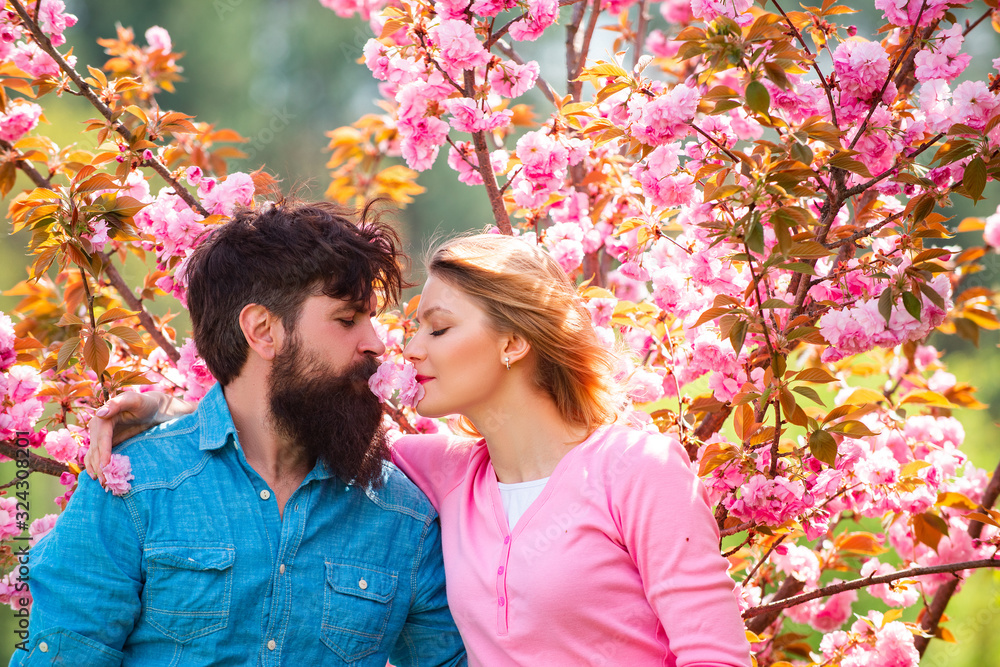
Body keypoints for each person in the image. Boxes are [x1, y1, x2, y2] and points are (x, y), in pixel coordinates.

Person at [89, 233, 753, 666]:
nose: (405, 348)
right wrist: (163, 410)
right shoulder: (440, 473)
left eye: (438, 328)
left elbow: (715, 656)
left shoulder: (637, 469)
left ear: (514, 341)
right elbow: (279, 423)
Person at [14, 201, 466, 666]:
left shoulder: (402, 516)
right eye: (348, 319)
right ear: (263, 330)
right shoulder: (133, 489)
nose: (375, 342)